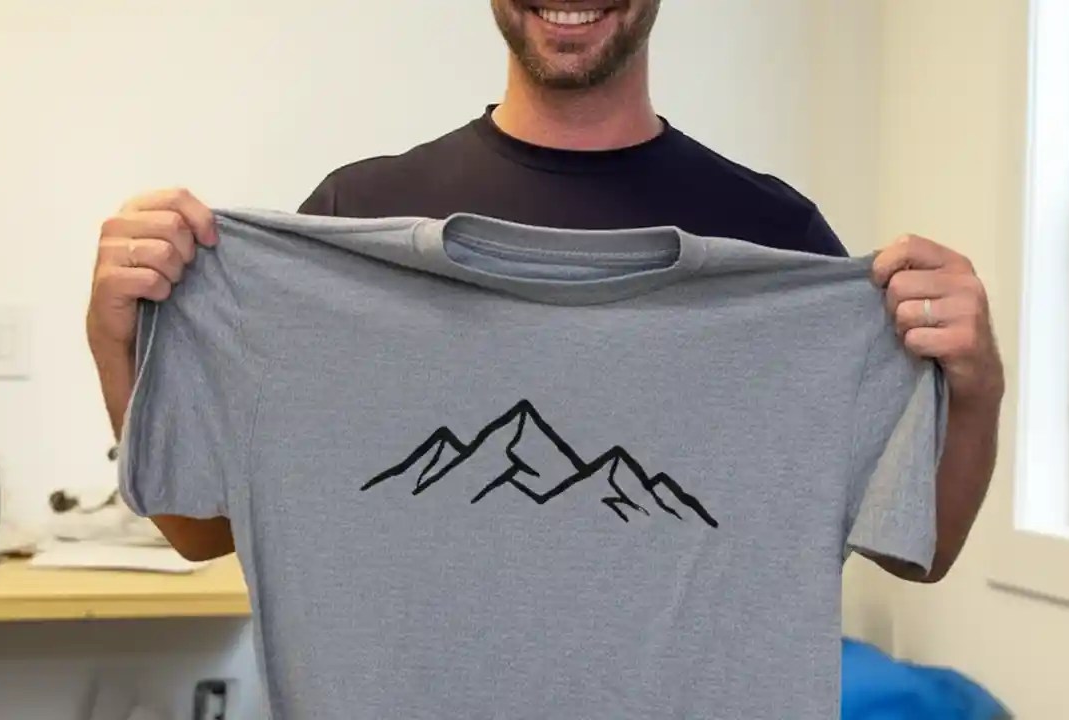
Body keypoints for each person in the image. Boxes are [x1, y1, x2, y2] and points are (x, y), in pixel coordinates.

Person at [87, 0, 1003, 583]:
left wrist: (976, 386)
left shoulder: (776, 246)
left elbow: (911, 550)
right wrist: (116, 343)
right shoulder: (352, 227)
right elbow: (202, 532)